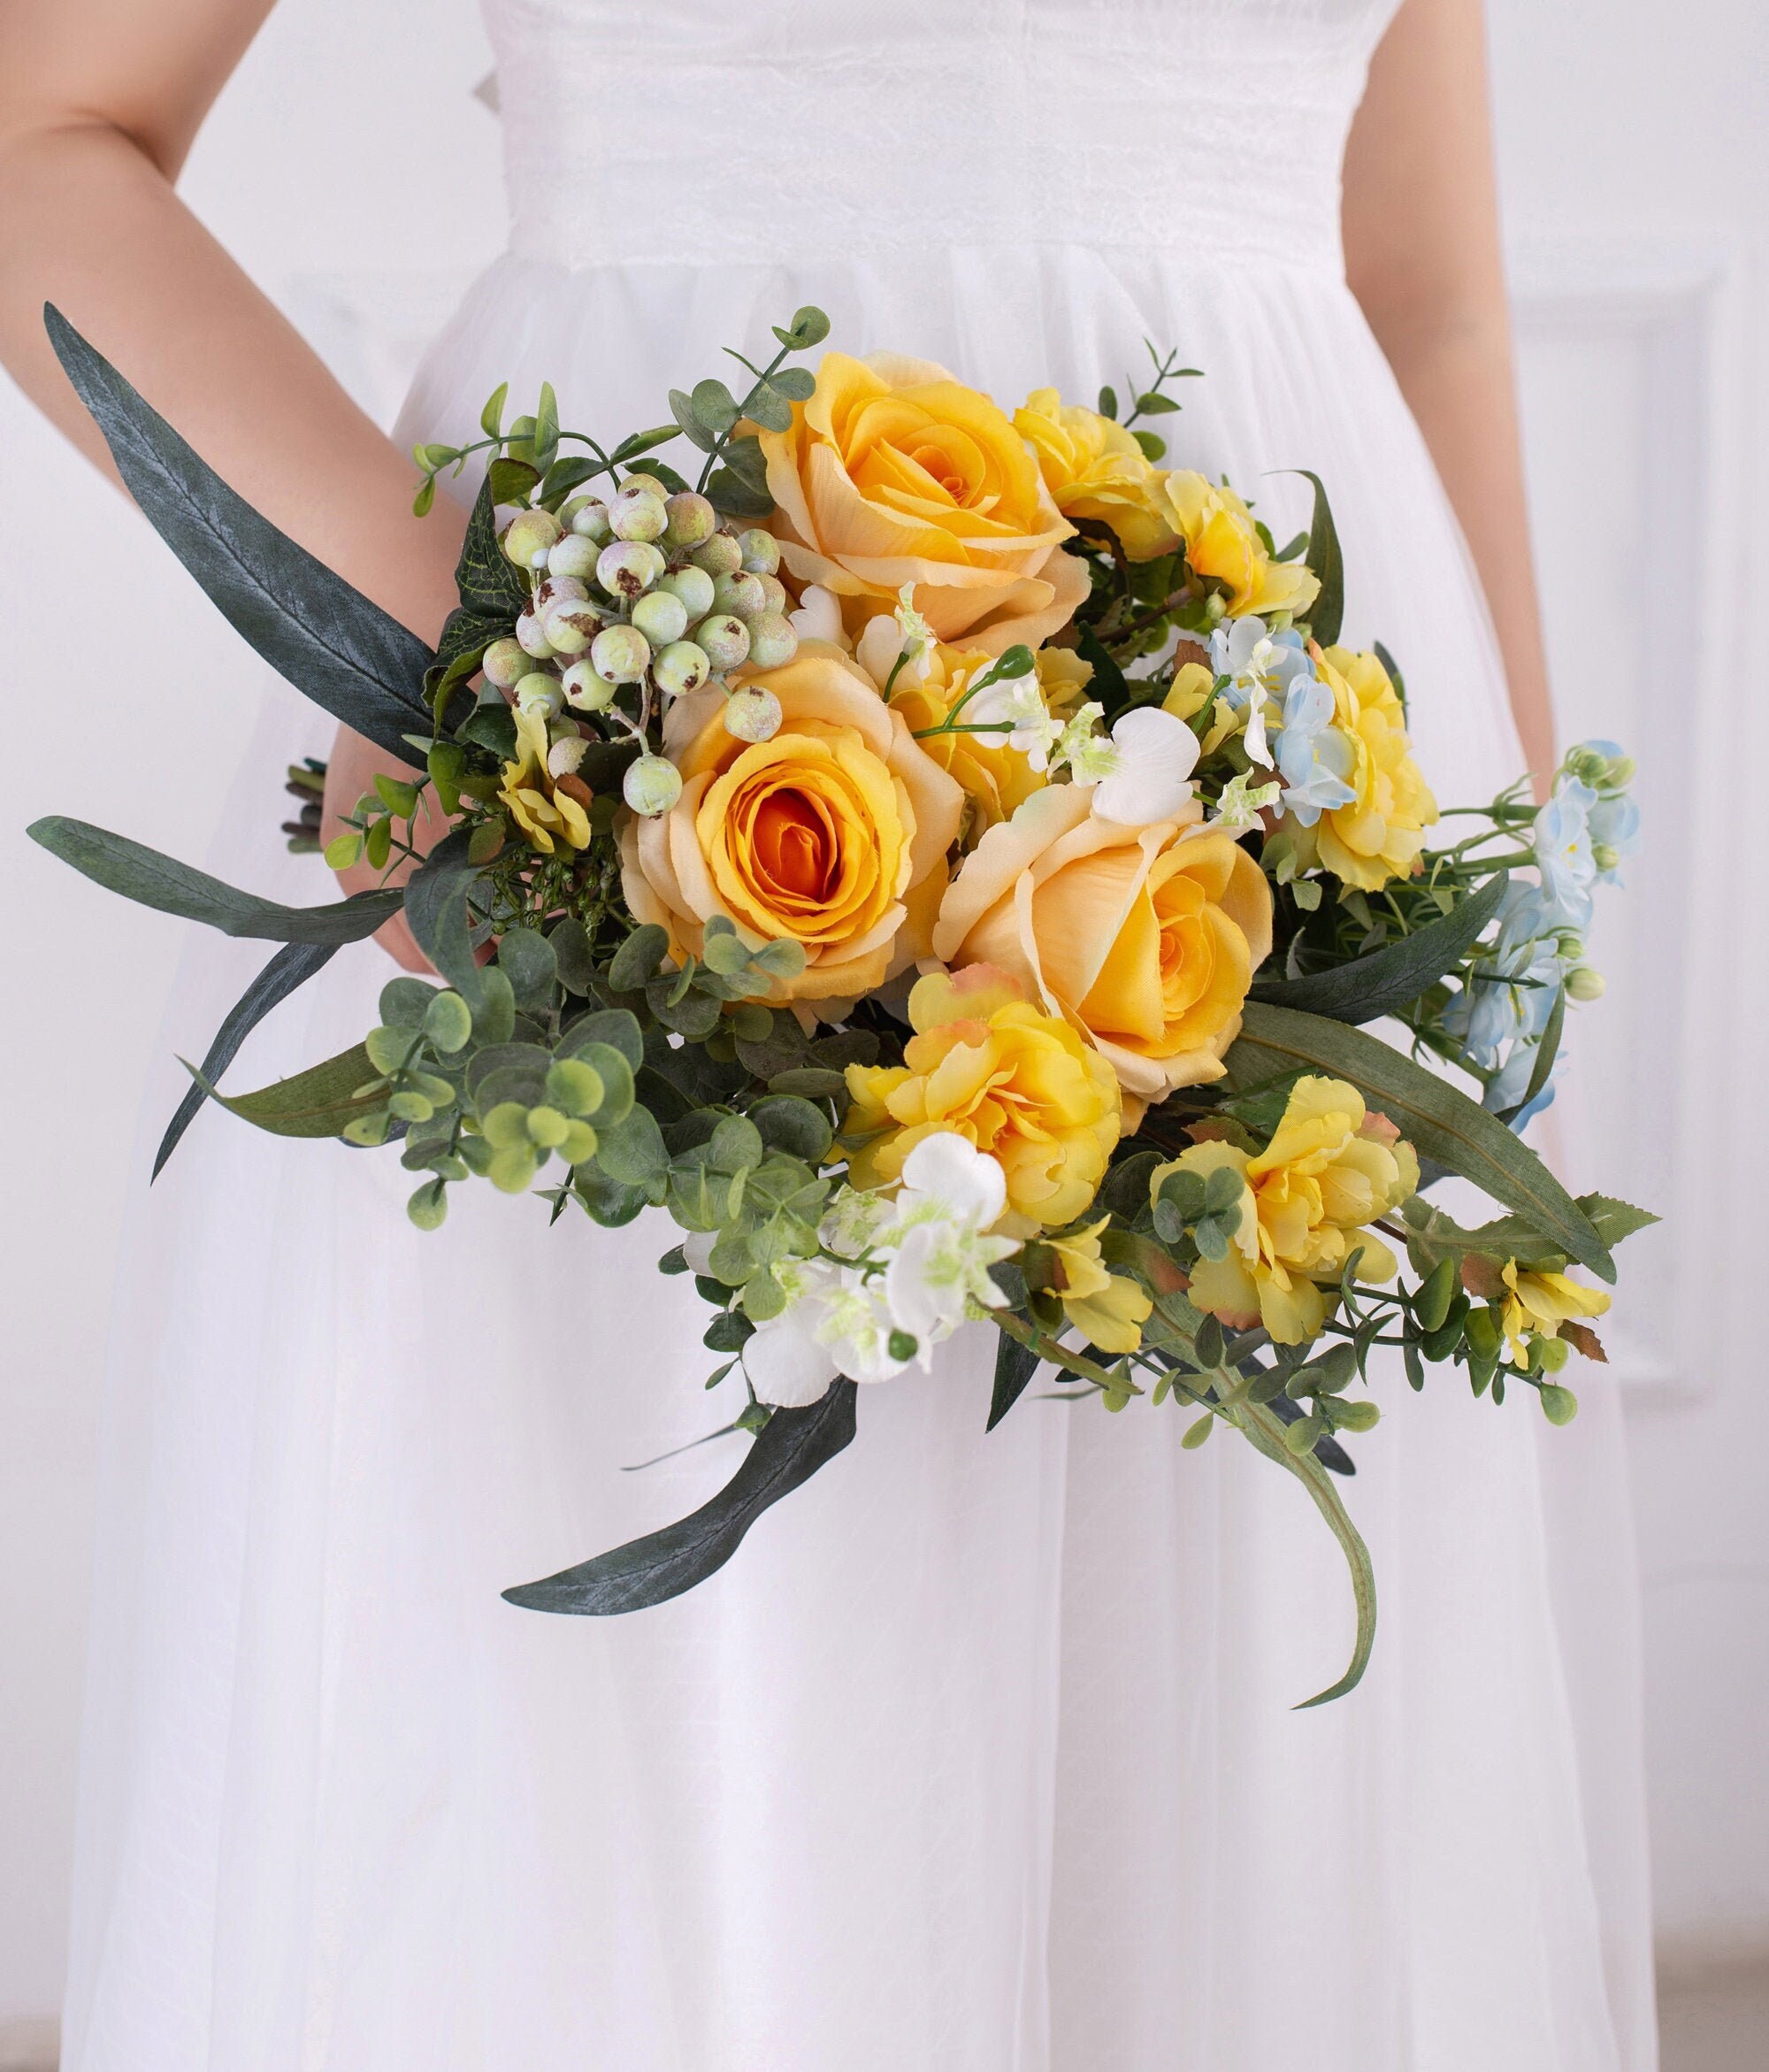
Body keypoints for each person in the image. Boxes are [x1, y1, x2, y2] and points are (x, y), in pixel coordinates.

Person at [0, 3, 1657, 2065]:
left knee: (1207, 1789)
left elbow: (1425, 291)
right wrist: (466, 677)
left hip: (1274, 786)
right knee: (700, 1762)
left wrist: (1496, 916)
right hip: (642, 736)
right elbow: (44, 129)